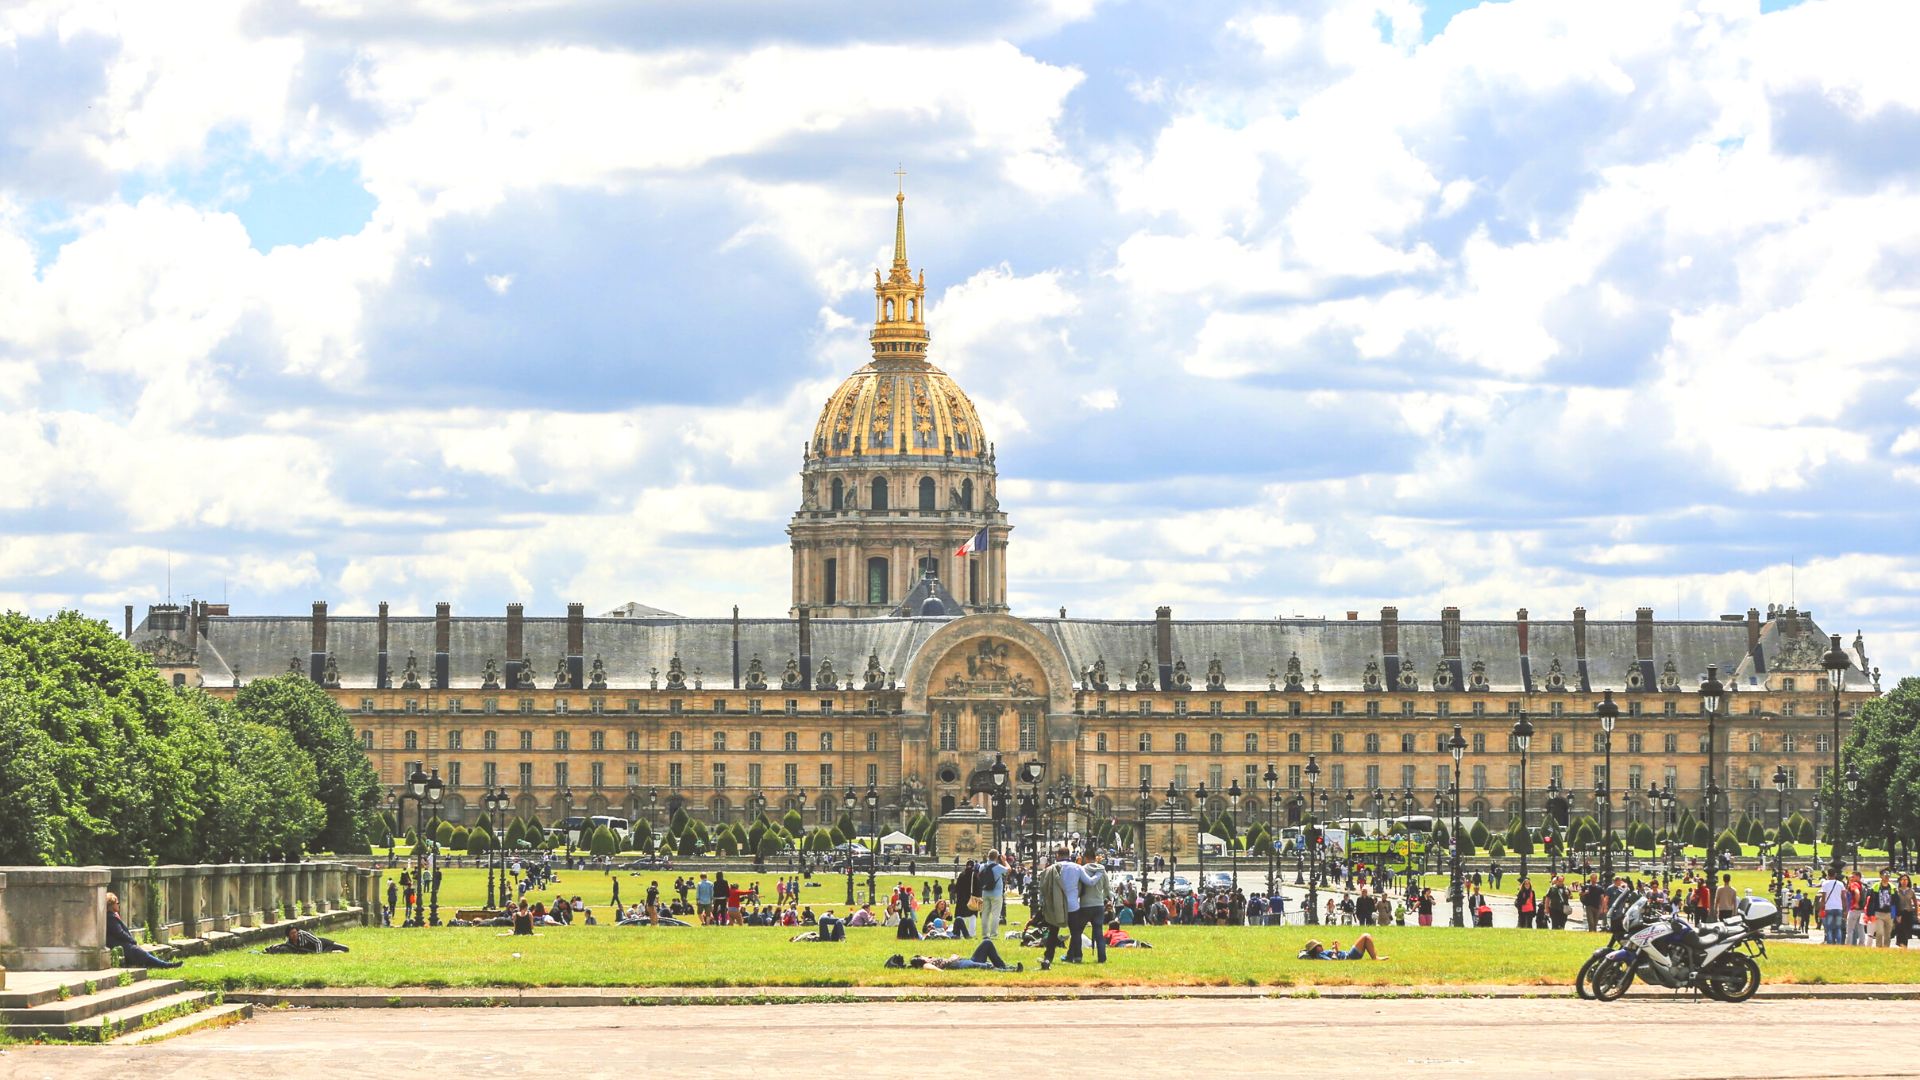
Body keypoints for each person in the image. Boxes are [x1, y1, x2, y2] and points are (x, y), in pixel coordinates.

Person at [105, 893, 181, 969]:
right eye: (117, 903)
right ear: (111, 905)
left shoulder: (112, 916)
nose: (119, 905)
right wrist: (132, 940)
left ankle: (164, 964)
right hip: (120, 945)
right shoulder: (111, 918)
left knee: (143, 953)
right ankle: (166, 965)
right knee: (141, 953)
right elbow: (120, 933)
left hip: (122, 944)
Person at [887, 939, 1022, 972]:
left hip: (963, 960)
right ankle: (1011, 970)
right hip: (958, 964)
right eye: (924, 956)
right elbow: (937, 971)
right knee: (985, 966)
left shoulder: (929, 960)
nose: (927, 956)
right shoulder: (925, 964)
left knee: (987, 943)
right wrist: (951, 960)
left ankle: (1004, 967)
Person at [977, 850, 1008, 940]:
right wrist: (1004, 860)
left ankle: (984, 934)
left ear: (988, 856)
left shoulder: (982, 866)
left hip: (985, 892)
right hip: (996, 893)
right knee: (995, 914)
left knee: (985, 914)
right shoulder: (998, 867)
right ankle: (993, 934)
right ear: (996, 857)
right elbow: (1008, 870)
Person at [1297, 934, 1389, 961]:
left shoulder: (1320, 954)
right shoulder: (1320, 956)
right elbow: (1333, 961)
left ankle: (1375, 957)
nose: (1322, 946)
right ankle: (1375, 958)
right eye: (1319, 945)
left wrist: (1336, 950)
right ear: (1316, 948)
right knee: (1366, 937)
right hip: (1349, 956)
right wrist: (1334, 949)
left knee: (1366, 937)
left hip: (1348, 954)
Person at [264, 926, 350, 954]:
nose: (295, 935)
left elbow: (317, 942)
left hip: (323, 943)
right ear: (289, 936)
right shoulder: (289, 943)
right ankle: (331, 952)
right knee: (334, 952)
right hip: (317, 949)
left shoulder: (303, 934)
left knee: (346, 948)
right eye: (292, 933)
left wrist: (318, 954)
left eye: (295, 932)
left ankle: (331, 950)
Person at [1818, 867, 1847, 945]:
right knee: (1838, 927)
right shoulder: (1840, 884)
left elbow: (1823, 897)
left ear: (1828, 875)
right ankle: (1839, 943)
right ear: (1835, 874)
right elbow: (1843, 897)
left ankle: (1830, 943)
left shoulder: (1825, 884)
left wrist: (1821, 908)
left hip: (1829, 907)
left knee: (1829, 928)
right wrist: (1845, 909)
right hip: (1839, 907)